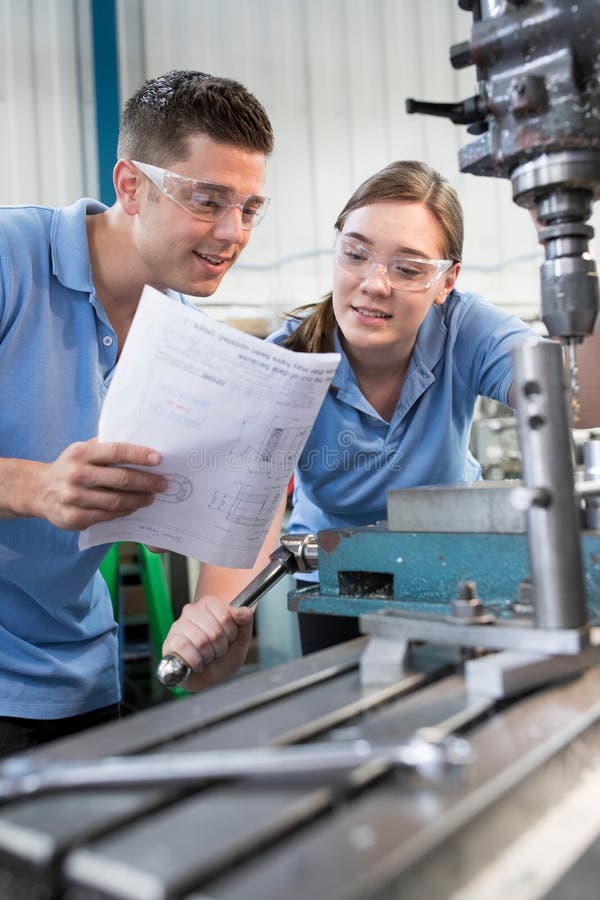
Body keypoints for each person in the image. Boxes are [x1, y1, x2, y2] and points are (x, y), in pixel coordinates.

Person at [164, 159, 536, 676]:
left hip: (452, 569)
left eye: (407, 268)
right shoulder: (288, 360)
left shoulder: (464, 330)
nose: (374, 283)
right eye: (356, 254)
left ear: (446, 280)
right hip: (334, 576)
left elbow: (576, 399)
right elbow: (252, 513)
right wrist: (215, 619)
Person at [0, 68, 274, 756]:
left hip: (80, 680)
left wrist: (218, 611)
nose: (233, 233)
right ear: (130, 186)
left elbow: (238, 498)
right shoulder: (11, 260)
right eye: (208, 200)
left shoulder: (183, 337)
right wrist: (35, 488)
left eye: (249, 208)